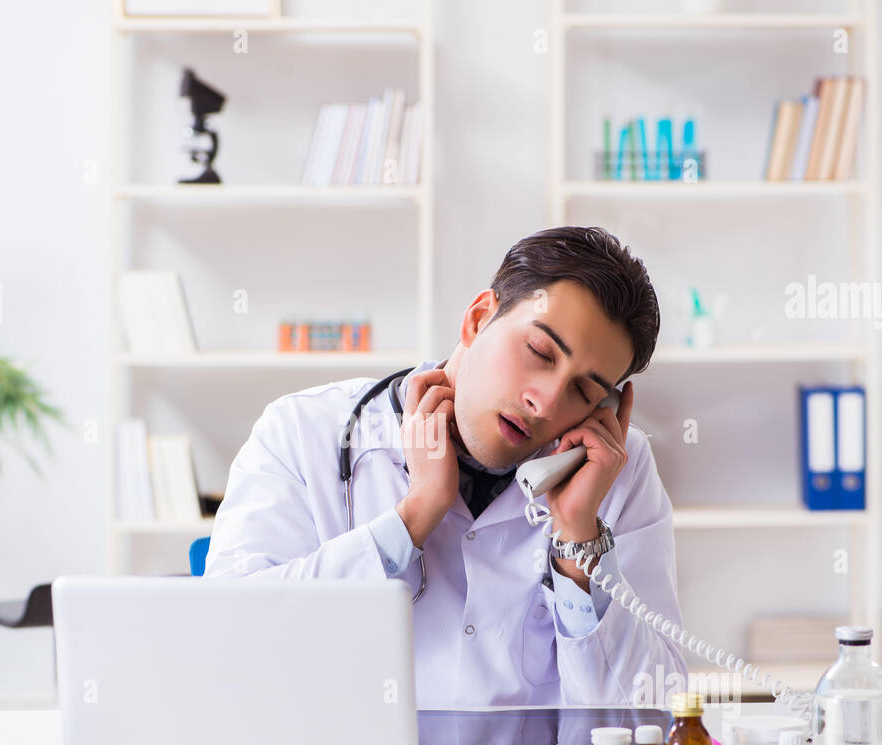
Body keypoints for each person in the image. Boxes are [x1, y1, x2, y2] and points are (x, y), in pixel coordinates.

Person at [204, 226, 687, 707]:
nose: (543, 403)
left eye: (582, 391)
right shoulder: (304, 429)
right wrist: (415, 515)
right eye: (539, 353)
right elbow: (230, 645)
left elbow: (656, 711)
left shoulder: (615, 468)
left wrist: (579, 542)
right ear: (478, 319)